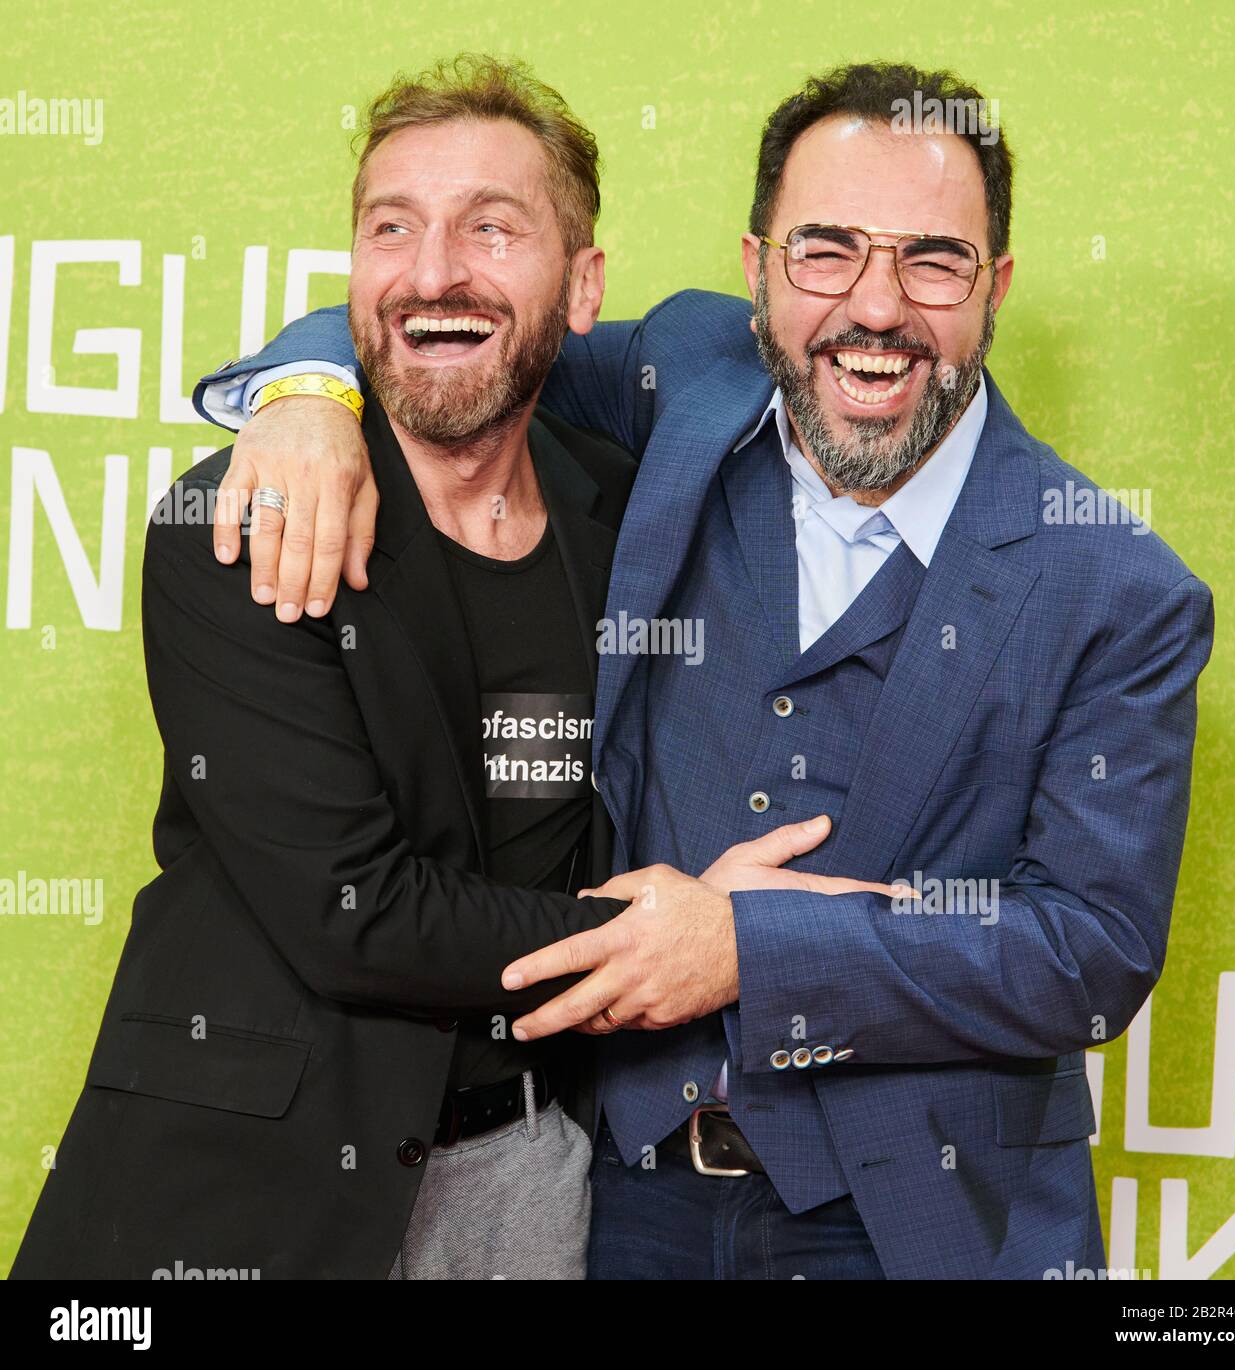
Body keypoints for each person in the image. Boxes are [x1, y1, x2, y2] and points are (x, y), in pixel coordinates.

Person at [191, 60, 1214, 1280]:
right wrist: (307, 393)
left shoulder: (1116, 582)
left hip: (925, 1226)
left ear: (991, 287)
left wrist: (748, 946)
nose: (873, 308)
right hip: (620, 1201)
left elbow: (1089, 950)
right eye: (823, 250)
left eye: (932, 261)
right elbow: (458, 325)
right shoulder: (688, 381)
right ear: (755, 269)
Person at [10, 55, 869, 1283]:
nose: (430, 273)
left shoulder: (629, 512)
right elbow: (355, 912)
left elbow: (845, 358)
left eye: (490, 228)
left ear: (582, 288)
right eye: (390, 229)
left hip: (531, 1181)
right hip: (240, 1186)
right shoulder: (247, 520)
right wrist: (676, 937)